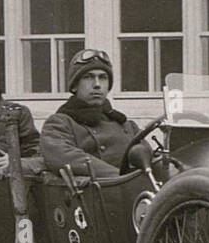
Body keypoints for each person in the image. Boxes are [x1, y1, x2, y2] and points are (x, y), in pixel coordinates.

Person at [40, 49, 141, 178]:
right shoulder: (60, 123)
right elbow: (64, 157)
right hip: (96, 193)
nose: (97, 85)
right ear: (74, 86)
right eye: (88, 77)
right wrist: (123, 178)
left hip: (134, 191)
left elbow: (149, 158)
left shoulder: (127, 125)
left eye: (103, 78)